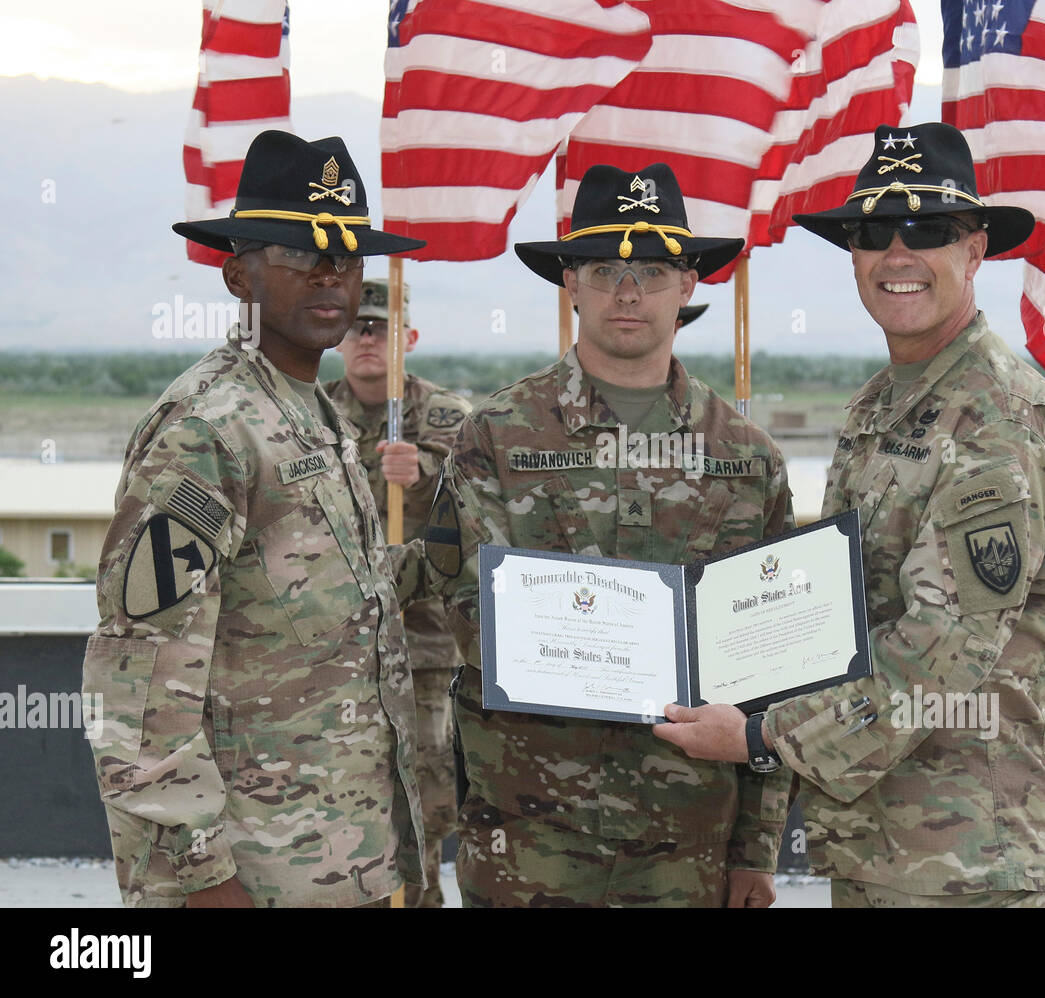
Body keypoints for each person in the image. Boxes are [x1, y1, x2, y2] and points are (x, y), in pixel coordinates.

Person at [654, 122, 1045, 908]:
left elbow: (943, 650)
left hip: (968, 856)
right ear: (854, 254)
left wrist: (761, 736)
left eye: (929, 228)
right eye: (874, 231)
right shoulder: (882, 408)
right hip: (883, 843)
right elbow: (841, 607)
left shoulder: (996, 419)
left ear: (975, 250)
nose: (898, 253)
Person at [82, 130, 452, 907]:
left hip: (341, 857)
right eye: (298, 254)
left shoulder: (307, 407)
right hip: (249, 872)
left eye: (347, 258)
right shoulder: (209, 428)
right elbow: (139, 684)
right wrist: (202, 878)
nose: (330, 275)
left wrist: (454, 557)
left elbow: (325, 591)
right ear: (237, 275)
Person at [441, 162, 795, 907]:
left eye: (654, 270)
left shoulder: (745, 457)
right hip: (528, 841)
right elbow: (470, 614)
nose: (628, 293)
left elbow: (774, 668)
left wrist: (755, 849)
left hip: (687, 845)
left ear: (690, 283)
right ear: (570, 280)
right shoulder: (497, 438)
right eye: (605, 269)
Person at [325, 279, 471, 907]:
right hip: (337, 631)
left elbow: (477, 507)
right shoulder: (311, 412)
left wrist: (424, 475)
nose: (367, 339)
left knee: (429, 772)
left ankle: (424, 891)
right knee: (346, 770)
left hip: (425, 634)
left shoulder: (444, 415)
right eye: (358, 327)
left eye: (381, 328)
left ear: (406, 339)